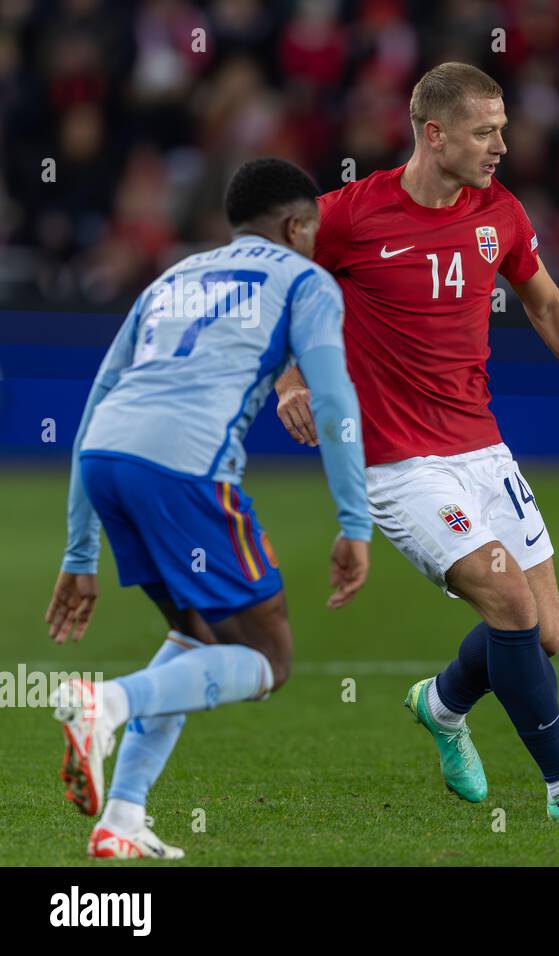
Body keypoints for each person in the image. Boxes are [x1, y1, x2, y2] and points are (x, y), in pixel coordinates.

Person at [274, 62, 559, 821]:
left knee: (544, 631)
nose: (501, 144)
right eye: (485, 131)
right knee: (507, 597)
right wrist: (288, 383)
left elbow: (549, 306)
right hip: (396, 463)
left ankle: (443, 702)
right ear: (434, 134)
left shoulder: (501, 213)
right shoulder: (349, 215)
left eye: (503, 129)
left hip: (482, 448)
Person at [46, 158, 372, 858]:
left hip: (108, 459)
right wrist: (354, 522)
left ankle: (123, 819)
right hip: (185, 472)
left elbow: (96, 403)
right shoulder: (305, 281)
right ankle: (108, 705)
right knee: (268, 658)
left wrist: (79, 554)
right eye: (312, 231)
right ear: (295, 226)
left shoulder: (170, 279)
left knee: (196, 634)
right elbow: (336, 400)